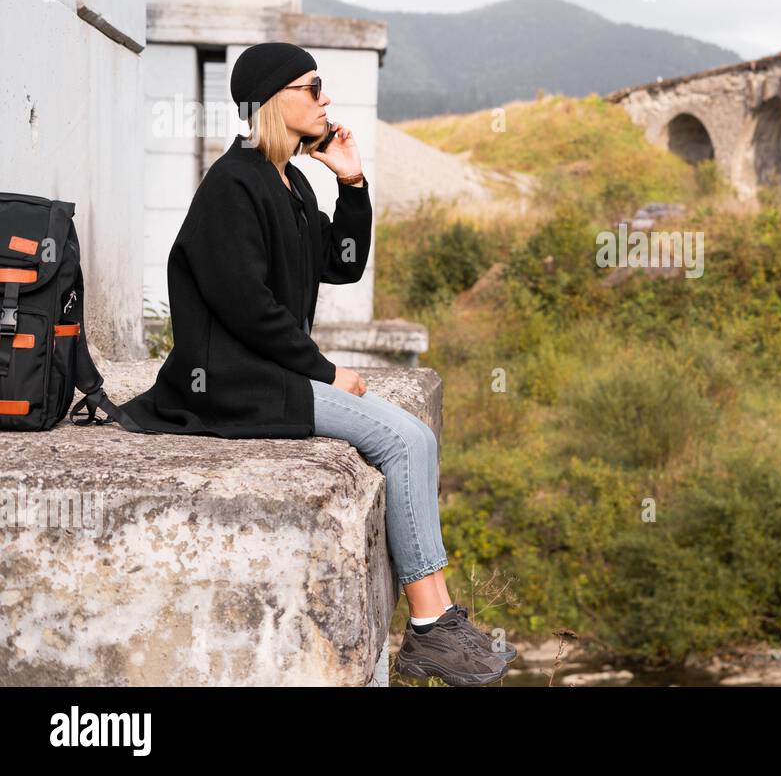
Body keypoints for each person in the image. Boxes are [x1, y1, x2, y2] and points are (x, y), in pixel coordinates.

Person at [119, 41, 513, 686]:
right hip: (233, 385)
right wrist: (324, 371)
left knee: (410, 437)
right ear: (276, 99)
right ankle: (430, 629)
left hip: (275, 375)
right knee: (404, 438)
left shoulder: (291, 180)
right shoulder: (231, 186)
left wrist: (352, 183)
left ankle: (438, 622)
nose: (326, 98)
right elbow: (247, 307)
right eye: (314, 86)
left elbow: (343, 261)